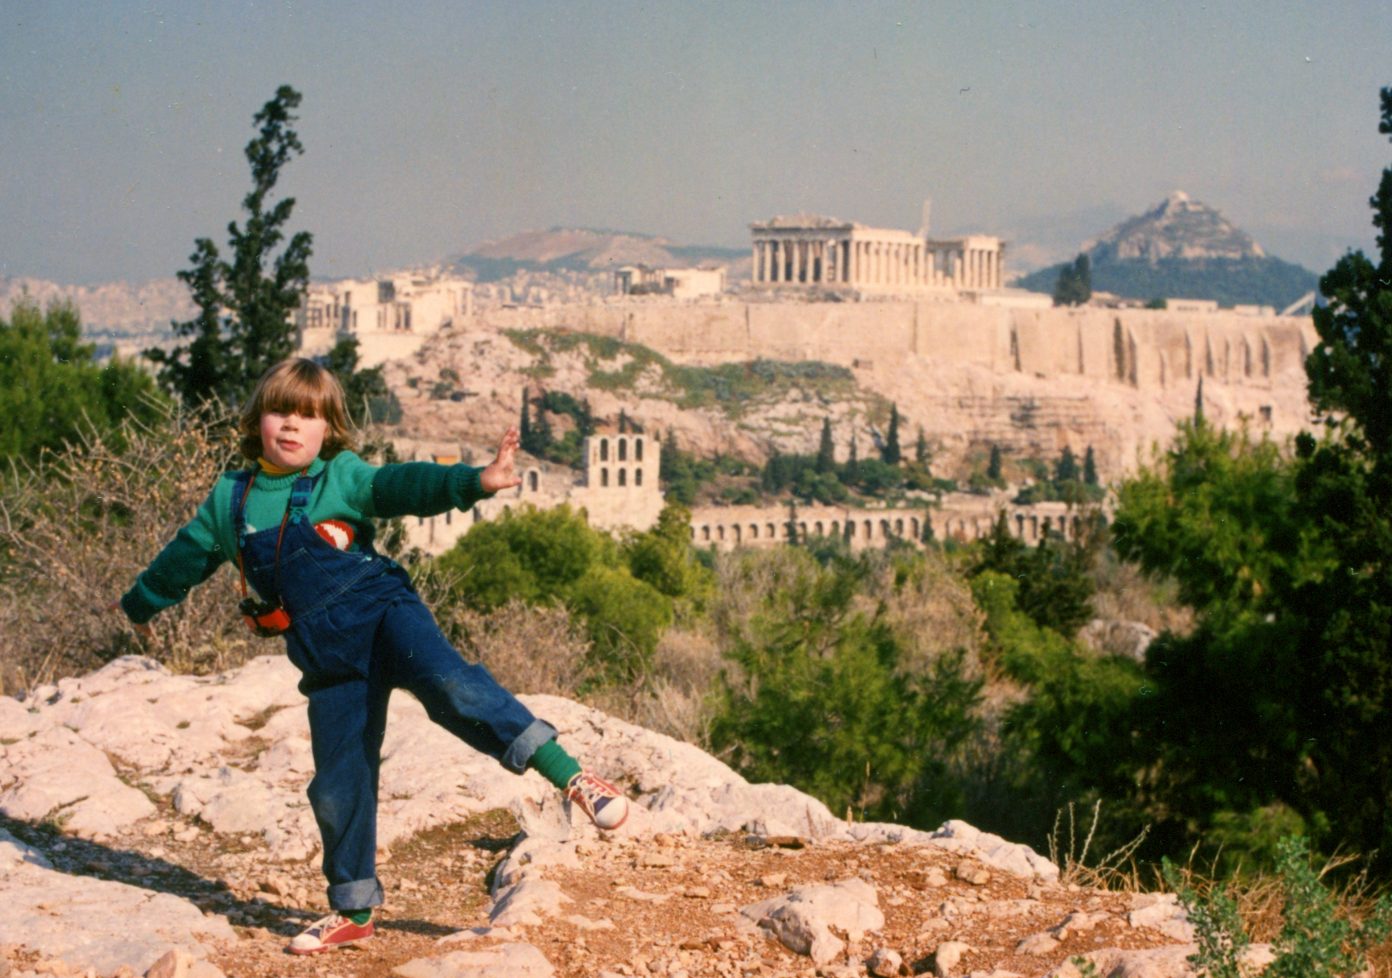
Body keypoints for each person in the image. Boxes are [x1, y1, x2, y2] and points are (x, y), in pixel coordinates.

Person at [117, 357, 628, 955]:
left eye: (308, 416)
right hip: (329, 661)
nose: (292, 426)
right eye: (281, 410)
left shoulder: (341, 475)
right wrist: (138, 607)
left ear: (328, 429)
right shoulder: (230, 500)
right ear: (257, 418)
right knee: (337, 783)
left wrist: (473, 482)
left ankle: (574, 778)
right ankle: (353, 910)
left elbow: (400, 485)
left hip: (386, 617)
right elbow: (183, 559)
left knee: (453, 687)